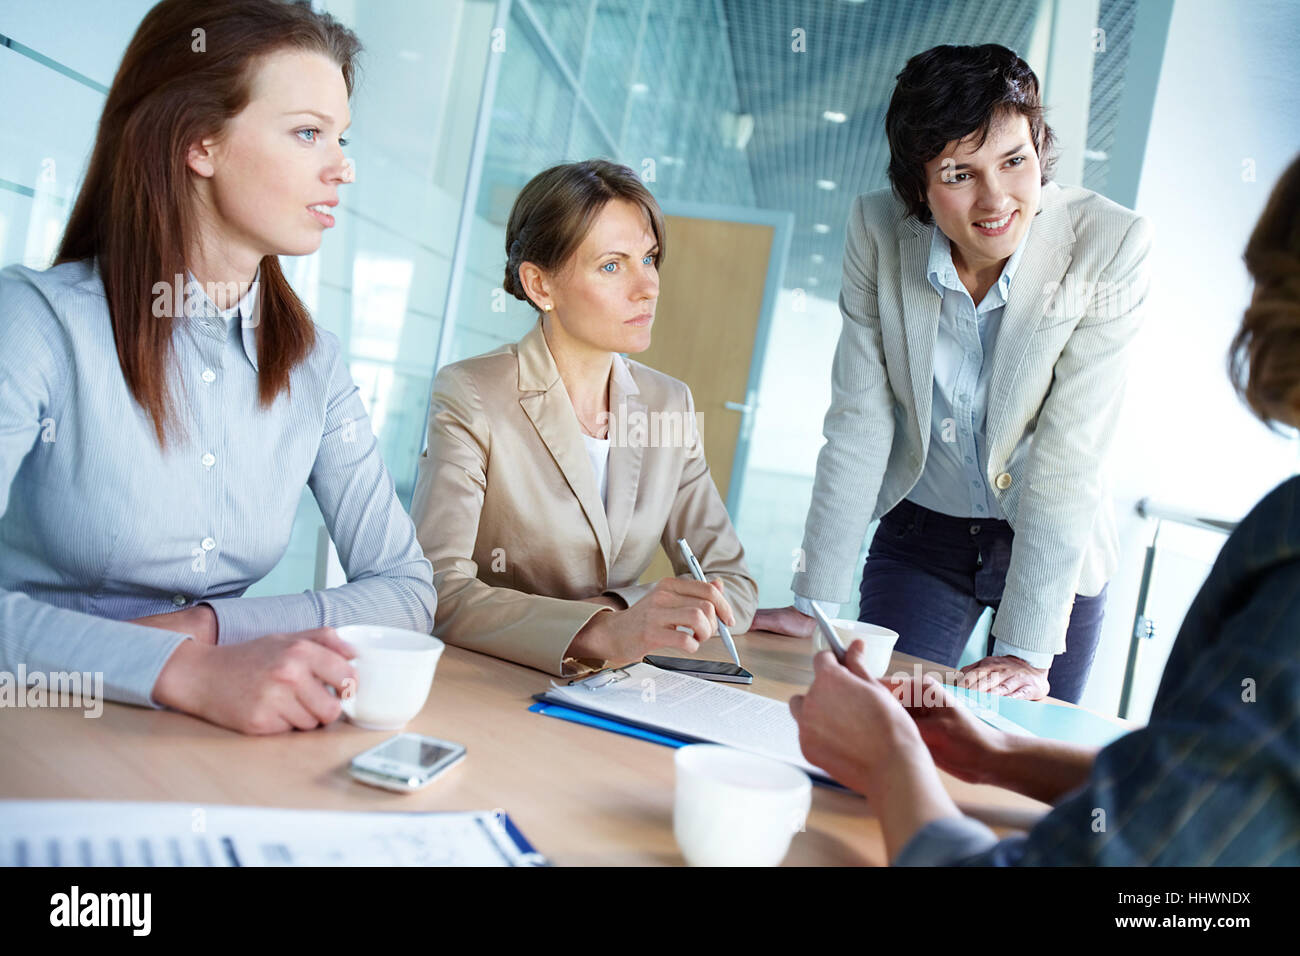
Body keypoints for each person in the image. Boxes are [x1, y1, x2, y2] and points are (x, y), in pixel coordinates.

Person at [788, 153, 1300, 865]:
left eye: (1270, 285)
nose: (1249, 318)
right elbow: (1211, 789)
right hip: (926, 526)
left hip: (1052, 547)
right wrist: (999, 757)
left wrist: (888, 761)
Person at [0, 0, 436, 735]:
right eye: (308, 133)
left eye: (341, 137)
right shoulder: (36, 322)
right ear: (200, 143)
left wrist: (204, 632)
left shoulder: (315, 366)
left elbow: (405, 588)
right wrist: (182, 670)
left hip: (216, 732)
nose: (343, 168)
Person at [755, 44, 1153, 703]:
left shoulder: (1110, 245)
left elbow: (1068, 453)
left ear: (1039, 151)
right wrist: (814, 601)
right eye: (959, 174)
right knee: (878, 717)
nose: (996, 198)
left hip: (1052, 539)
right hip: (925, 531)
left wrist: (1025, 654)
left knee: (1026, 753)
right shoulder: (877, 230)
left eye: (1014, 161)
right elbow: (860, 420)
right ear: (918, 185)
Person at [409, 160, 757, 676]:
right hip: (491, 681)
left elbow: (734, 583)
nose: (648, 287)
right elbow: (436, 589)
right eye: (612, 266)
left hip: (620, 686)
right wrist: (604, 629)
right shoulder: (474, 394)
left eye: (649, 258)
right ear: (540, 286)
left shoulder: (668, 403)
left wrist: (622, 621)